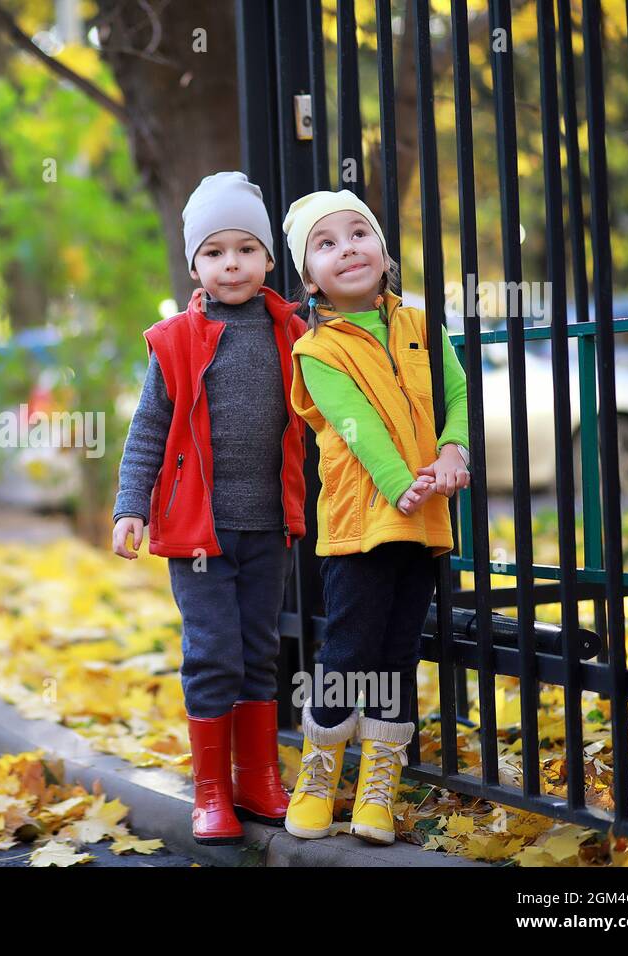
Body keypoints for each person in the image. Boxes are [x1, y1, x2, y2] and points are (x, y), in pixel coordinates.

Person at [110, 171, 309, 845]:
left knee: (259, 649)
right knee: (214, 652)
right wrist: (130, 507)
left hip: (268, 528)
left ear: (268, 260)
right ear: (195, 262)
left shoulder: (292, 332)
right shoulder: (174, 341)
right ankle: (210, 790)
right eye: (217, 251)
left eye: (246, 249)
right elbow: (146, 431)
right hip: (198, 531)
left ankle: (257, 780)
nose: (233, 263)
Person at [283, 188, 471, 844]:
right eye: (326, 243)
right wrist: (401, 486)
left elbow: (455, 393)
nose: (347, 249)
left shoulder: (422, 326)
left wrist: (453, 451)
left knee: (396, 654)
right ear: (311, 276)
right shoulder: (318, 350)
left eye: (358, 233)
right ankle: (319, 773)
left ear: (384, 252)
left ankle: (376, 789)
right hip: (360, 526)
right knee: (349, 651)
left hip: (421, 523)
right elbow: (354, 425)